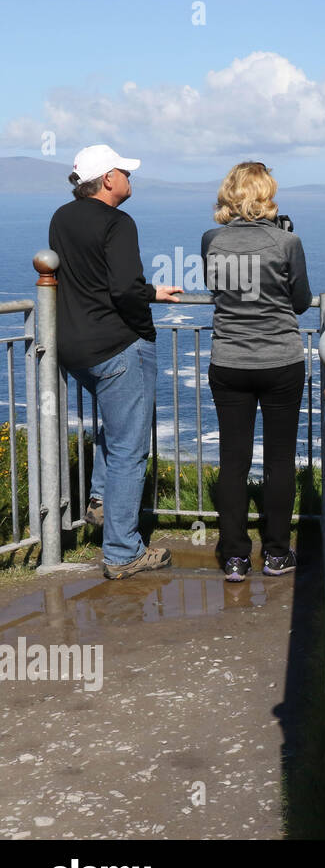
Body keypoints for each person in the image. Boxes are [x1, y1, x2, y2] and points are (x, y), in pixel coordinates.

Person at [49, 144, 181, 579]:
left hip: (74, 348)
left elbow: (91, 280)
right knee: (130, 447)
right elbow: (124, 288)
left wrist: (147, 292)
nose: (130, 178)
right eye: (125, 172)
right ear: (108, 179)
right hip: (116, 346)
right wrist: (145, 321)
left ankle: (102, 502)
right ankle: (123, 553)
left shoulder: (61, 218)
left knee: (117, 429)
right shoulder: (119, 223)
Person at [202, 162, 310, 582]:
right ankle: (278, 553)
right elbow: (300, 301)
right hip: (280, 360)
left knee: (233, 460)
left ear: (228, 195)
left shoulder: (211, 239)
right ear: (266, 195)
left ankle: (235, 557)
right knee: (279, 460)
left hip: (228, 360)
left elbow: (219, 288)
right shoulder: (288, 242)